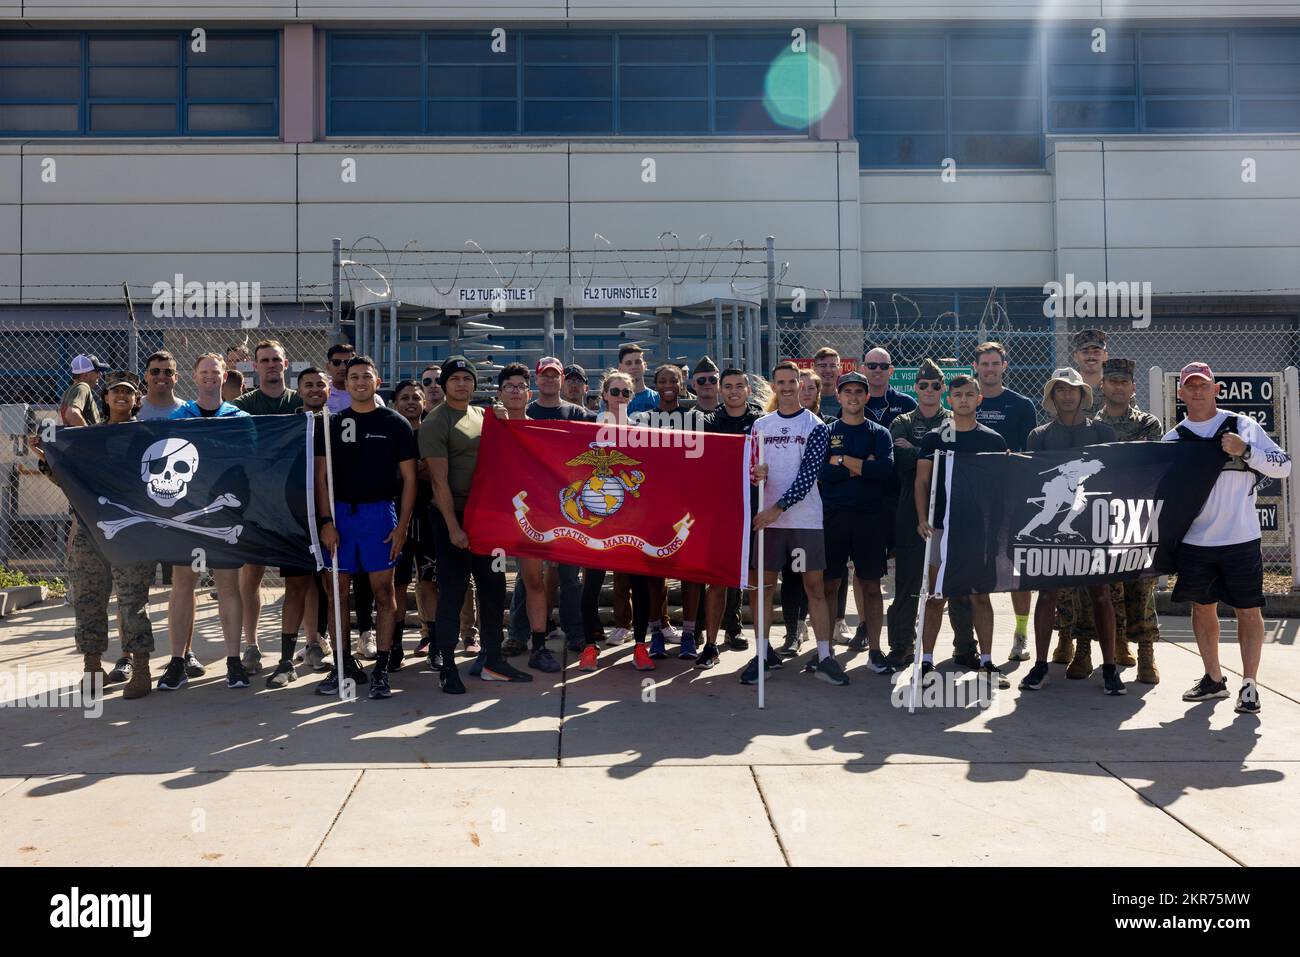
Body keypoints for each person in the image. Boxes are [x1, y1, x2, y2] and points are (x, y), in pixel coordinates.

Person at [1168, 362, 1291, 715]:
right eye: (1190, 386)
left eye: (1203, 385)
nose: (1197, 391)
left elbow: (1283, 465)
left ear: (1216, 390)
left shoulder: (1242, 426)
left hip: (1241, 538)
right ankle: (1213, 679)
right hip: (1195, 541)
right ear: (1180, 393)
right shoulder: (1174, 439)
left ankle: (1249, 684)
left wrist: (1246, 451)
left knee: (1248, 610)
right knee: (1202, 608)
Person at [31, 371, 157, 699]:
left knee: (133, 602)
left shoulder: (146, 437)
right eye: (115, 391)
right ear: (105, 397)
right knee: (88, 599)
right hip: (91, 529)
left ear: (135, 400)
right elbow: (71, 483)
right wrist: (48, 459)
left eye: (128, 393)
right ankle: (92, 666)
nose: (121, 397)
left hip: (131, 532)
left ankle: (140, 667)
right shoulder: (87, 438)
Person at [420, 355, 531, 692]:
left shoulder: (483, 415)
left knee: (494, 588)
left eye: (467, 378)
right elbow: (438, 483)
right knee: (453, 592)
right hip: (451, 516)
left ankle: (492, 660)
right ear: (444, 384)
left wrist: (501, 418)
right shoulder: (436, 422)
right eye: (456, 379)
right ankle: (448, 667)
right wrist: (454, 528)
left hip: (487, 519)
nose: (462, 384)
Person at [315, 355, 418, 700]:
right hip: (342, 515)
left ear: (377, 381)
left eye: (366, 377)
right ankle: (342, 666)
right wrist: (327, 522)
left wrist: (402, 526)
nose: (360, 382)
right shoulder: (331, 424)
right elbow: (320, 478)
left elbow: (409, 480)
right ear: (345, 381)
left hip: (379, 515)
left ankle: (382, 670)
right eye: (353, 376)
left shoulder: (395, 424)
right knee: (336, 593)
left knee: (383, 594)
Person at [1018, 368, 1124, 696]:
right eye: (1061, 390)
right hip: (1053, 526)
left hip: (1092, 524)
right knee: (1047, 593)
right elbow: (1031, 479)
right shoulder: (1039, 435)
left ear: (1082, 395)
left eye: (1073, 390)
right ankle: (1039, 665)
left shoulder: (1102, 432)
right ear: (1052, 396)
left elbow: (1116, 476)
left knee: (1101, 595)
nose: (1067, 395)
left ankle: (1109, 669)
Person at [157, 354, 249, 691]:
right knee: (184, 583)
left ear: (225, 377)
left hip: (225, 514)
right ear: (194, 376)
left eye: (216, 372)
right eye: (204, 372)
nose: (210, 377)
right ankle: (178, 661)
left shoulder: (239, 417)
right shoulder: (179, 417)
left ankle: (234, 662)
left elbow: (249, 462)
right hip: (188, 511)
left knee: (228, 585)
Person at [746, 362, 842, 685]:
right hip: (768, 522)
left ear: (800, 384)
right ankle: (762, 653)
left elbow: (807, 477)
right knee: (764, 588)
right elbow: (750, 470)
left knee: (813, 587)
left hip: (804, 520)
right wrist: (756, 475)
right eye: (780, 382)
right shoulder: (760, 425)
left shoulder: (814, 426)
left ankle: (825, 656)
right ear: (773, 386)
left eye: (792, 381)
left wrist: (777, 508)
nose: (787, 387)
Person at [913, 374, 1009, 689]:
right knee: (935, 595)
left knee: (981, 596)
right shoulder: (934, 438)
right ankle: (925, 662)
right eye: (958, 395)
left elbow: (1000, 488)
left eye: (970, 394)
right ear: (949, 400)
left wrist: (999, 529)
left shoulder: (993, 440)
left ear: (979, 399)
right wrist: (921, 518)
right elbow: (922, 482)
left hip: (979, 530)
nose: (964, 399)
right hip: (942, 527)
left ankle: (986, 661)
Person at [1080, 357, 1164, 684]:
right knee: (1106, 587)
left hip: (1138, 514)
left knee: (1141, 586)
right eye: (1111, 381)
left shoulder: (1148, 423)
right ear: (1102, 386)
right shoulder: (1090, 425)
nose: (1117, 386)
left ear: (1132, 387)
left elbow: (1148, 462)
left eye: (1123, 382)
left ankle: (1146, 653)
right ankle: (1113, 648)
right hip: (1100, 515)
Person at [229, 340, 305, 677]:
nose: (271, 365)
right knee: (252, 573)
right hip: (256, 503)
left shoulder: (301, 402)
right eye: (265, 360)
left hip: (295, 501)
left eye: (276, 359)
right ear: (255, 366)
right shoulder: (242, 406)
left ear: (286, 364)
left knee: (303, 574)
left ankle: (313, 639)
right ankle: (251, 645)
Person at [887, 359, 967, 668]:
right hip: (911, 507)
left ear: (943, 389)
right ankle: (901, 645)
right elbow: (899, 459)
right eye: (923, 386)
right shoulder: (903, 421)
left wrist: (918, 450)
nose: (929, 391)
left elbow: (956, 460)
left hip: (950, 507)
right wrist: (932, 453)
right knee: (908, 580)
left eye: (936, 386)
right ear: (916, 388)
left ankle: (964, 647)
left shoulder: (954, 420)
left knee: (954, 580)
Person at [815, 371, 895, 675]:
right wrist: (860, 465)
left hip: (869, 518)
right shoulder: (826, 431)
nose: (853, 397)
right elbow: (823, 473)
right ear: (838, 396)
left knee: (871, 585)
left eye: (858, 392)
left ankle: (875, 650)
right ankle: (824, 652)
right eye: (847, 391)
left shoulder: (879, 433)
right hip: (834, 516)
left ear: (866, 396)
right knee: (829, 584)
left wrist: (842, 460)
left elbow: (884, 471)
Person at [575, 371, 653, 673]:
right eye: (615, 391)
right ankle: (590, 646)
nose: (620, 397)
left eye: (625, 393)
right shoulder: (587, 428)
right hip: (596, 519)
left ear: (631, 397)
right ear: (604, 394)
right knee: (591, 585)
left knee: (639, 584)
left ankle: (640, 646)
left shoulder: (643, 431)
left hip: (631, 521)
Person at [631, 364, 708, 658]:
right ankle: (657, 632)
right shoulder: (644, 419)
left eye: (672, 380)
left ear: (681, 384)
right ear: (655, 384)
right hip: (653, 505)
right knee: (655, 572)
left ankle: (688, 633)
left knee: (689, 571)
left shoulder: (695, 418)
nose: (667, 385)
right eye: (661, 381)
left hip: (687, 504)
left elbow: (705, 457)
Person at [517, 356, 592, 654]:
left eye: (554, 375)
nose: (549, 380)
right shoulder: (524, 414)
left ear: (561, 380)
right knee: (528, 576)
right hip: (533, 505)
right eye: (544, 375)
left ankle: (576, 633)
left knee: (570, 576)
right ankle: (518, 634)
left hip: (568, 505)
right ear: (537, 379)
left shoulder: (579, 413)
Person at [970, 340, 1038, 661]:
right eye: (984, 364)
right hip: (973, 501)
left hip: (1013, 499)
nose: (990, 369)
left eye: (995, 363)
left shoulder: (1022, 405)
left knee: (1017, 566)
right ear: (976, 367)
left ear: (1004, 366)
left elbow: (1029, 454)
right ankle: (972, 640)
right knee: (977, 568)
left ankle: (1021, 633)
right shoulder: (968, 401)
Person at [266, 367, 334, 687]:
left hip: (333, 519)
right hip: (294, 520)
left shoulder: (339, 424)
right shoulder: (286, 426)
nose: (315, 389)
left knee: (332, 586)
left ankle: (332, 654)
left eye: (321, 384)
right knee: (296, 587)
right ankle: (284, 661)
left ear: (330, 388)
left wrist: (330, 519)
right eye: (308, 385)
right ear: (298, 390)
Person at [493, 362, 561, 674]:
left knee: (534, 579)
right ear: (500, 393)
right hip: (492, 514)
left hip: (528, 516)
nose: (516, 391)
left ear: (529, 392)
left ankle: (539, 645)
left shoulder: (540, 430)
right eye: (510, 386)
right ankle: (490, 646)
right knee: (490, 582)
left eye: (521, 386)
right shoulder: (487, 425)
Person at [696, 367, 765, 669]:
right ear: (720, 391)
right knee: (717, 581)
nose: (734, 391)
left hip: (756, 510)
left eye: (740, 386)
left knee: (754, 581)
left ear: (748, 390)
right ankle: (710, 645)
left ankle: (762, 651)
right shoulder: (708, 422)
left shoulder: (763, 423)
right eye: (728, 386)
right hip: (721, 512)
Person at [387, 379, 440, 673]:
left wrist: (421, 471)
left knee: (430, 582)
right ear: (395, 402)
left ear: (424, 402)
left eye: (415, 397)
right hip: (396, 518)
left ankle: (434, 644)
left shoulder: (431, 431)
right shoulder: (390, 431)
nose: (410, 402)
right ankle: (394, 646)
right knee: (397, 584)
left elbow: (436, 471)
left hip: (429, 517)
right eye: (404, 397)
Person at [326, 342, 386, 413]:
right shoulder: (321, 393)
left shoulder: (371, 398)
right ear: (327, 366)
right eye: (336, 362)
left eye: (347, 362)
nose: (342, 367)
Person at [60, 354, 109, 426]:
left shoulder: (69, 391)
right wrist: (88, 433)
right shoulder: (83, 387)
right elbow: (72, 413)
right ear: (85, 376)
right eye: (97, 371)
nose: (100, 375)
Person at [136, 350, 186, 420]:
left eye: (168, 372)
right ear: (146, 376)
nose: (161, 377)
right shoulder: (133, 409)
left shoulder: (187, 411)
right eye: (155, 371)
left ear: (176, 377)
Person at [1071, 328, 1109, 417]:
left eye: (1096, 352)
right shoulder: (1068, 390)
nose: (1091, 356)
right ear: (1076, 357)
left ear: (1105, 356)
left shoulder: (1116, 388)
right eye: (1085, 352)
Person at [615, 343, 659, 414]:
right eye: (628, 363)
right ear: (620, 368)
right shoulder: (612, 399)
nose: (634, 367)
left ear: (645, 365)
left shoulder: (658, 398)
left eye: (638, 362)